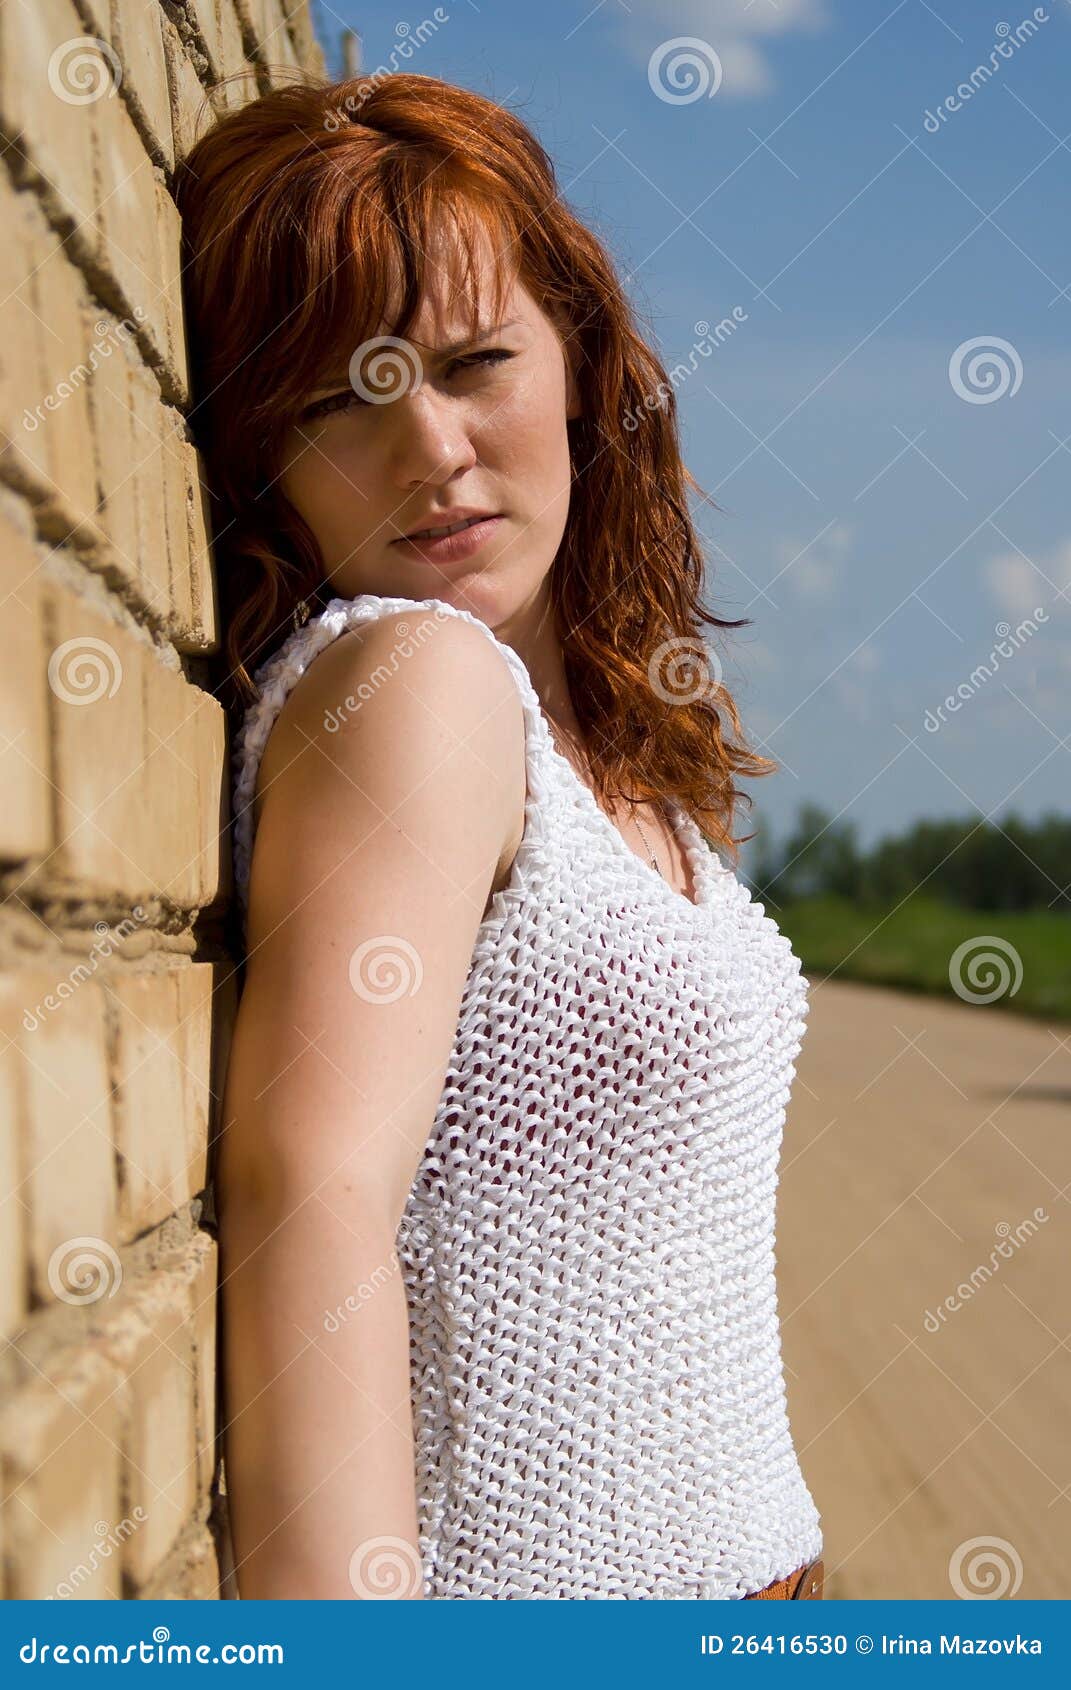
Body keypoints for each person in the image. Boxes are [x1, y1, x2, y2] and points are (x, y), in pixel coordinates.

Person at [176, 70, 824, 1601]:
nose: (434, 451)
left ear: (580, 363)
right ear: (260, 447)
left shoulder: (594, 743)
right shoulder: (417, 681)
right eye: (341, 396)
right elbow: (308, 1202)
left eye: (475, 362)